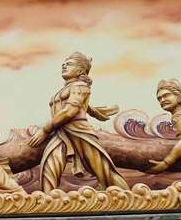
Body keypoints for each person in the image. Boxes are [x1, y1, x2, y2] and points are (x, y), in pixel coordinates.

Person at [27, 53, 128, 192]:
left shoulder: (80, 86)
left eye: (69, 63)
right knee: (49, 166)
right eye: (64, 63)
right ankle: (48, 200)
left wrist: (44, 130)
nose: (64, 65)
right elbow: (78, 105)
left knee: (103, 171)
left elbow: (70, 111)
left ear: (80, 71)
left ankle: (130, 196)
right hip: (61, 133)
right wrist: (93, 111)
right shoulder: (70, 88)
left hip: (79, 132)